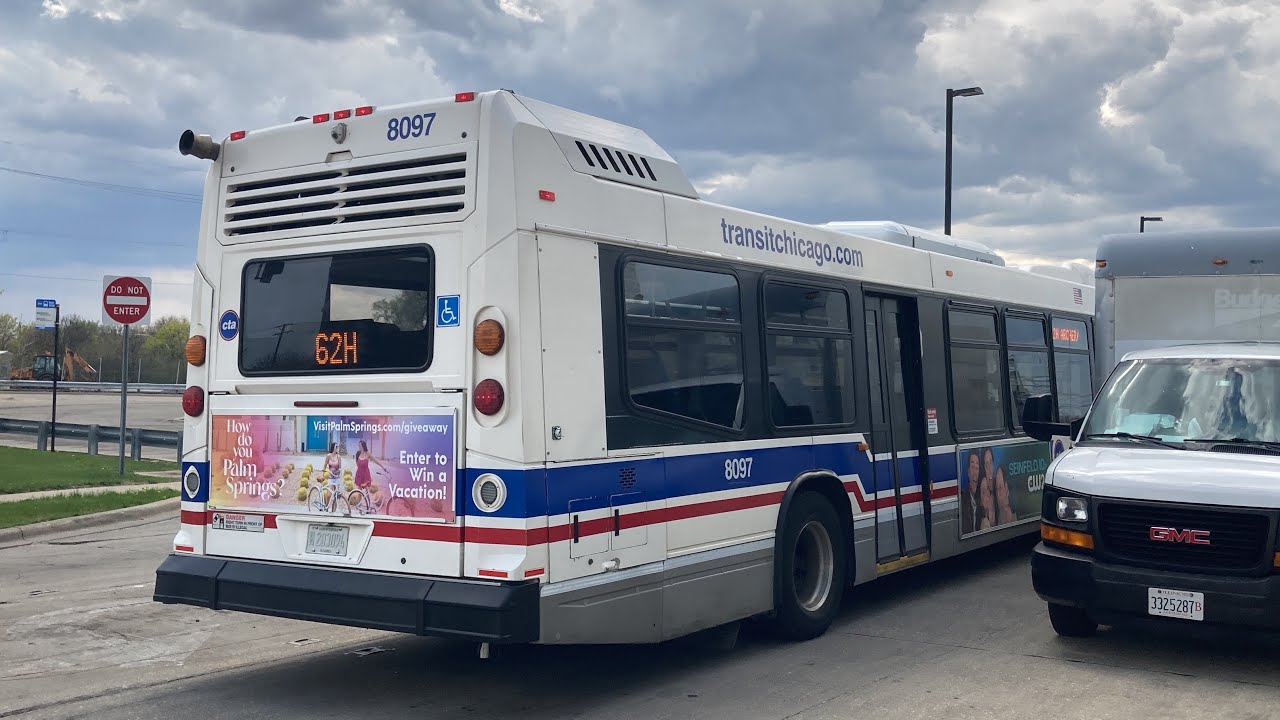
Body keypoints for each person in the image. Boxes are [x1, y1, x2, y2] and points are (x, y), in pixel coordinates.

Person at [961, 450, 982, 534]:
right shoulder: (962, 499)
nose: (975, 471)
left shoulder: (983, 497)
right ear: (968, 471)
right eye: (972, 466)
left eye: (977, 467)